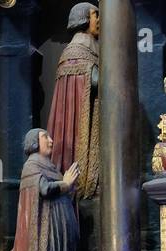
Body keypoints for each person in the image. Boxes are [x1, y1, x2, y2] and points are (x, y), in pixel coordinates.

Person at [6, 128, 83, 251]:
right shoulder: (31, 165)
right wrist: (65, 184)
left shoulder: (50, 167)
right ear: (34, 143)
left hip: (59, 220)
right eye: (45, 137)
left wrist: (69, 185)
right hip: (48, 224)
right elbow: (44, 189)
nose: (51, 141)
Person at [46, 3, 101, 202]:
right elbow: (93, 80)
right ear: (84, 18)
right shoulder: (76, 50)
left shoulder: (89, 47)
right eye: (96, 15)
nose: (99, 20)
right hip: (77, 116)